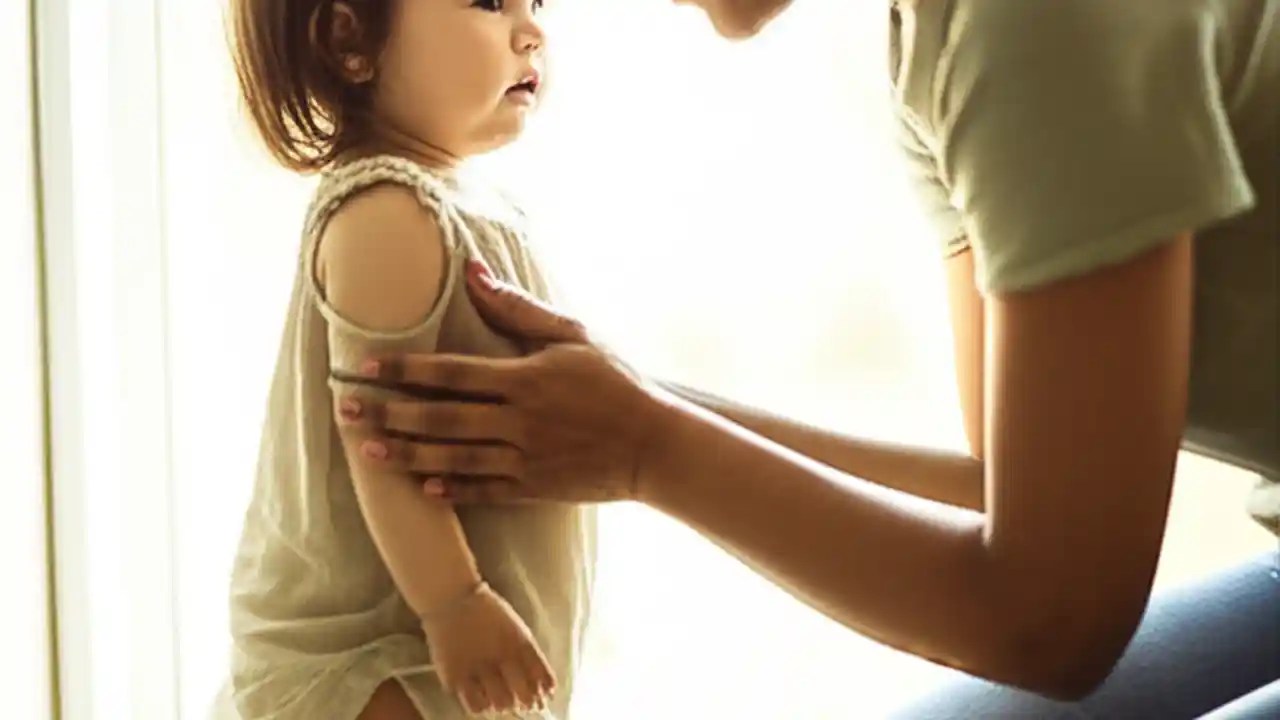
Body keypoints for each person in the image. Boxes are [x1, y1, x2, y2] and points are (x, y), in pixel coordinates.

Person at [334, 0, 1280, 717]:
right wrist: (623, 402)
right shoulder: (933, 50)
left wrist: (643, 450)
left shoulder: (1031, 29)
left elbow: (1054, 621)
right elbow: (1001, 492)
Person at [223, 0, 595, 718]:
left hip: (446, 644)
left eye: (537, 2)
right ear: (349, 38)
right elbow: (377, 435)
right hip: (383, 656)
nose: (532, 30)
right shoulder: (386, 213)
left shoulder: (467, 204)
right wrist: (455, 601)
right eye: (489, 2)